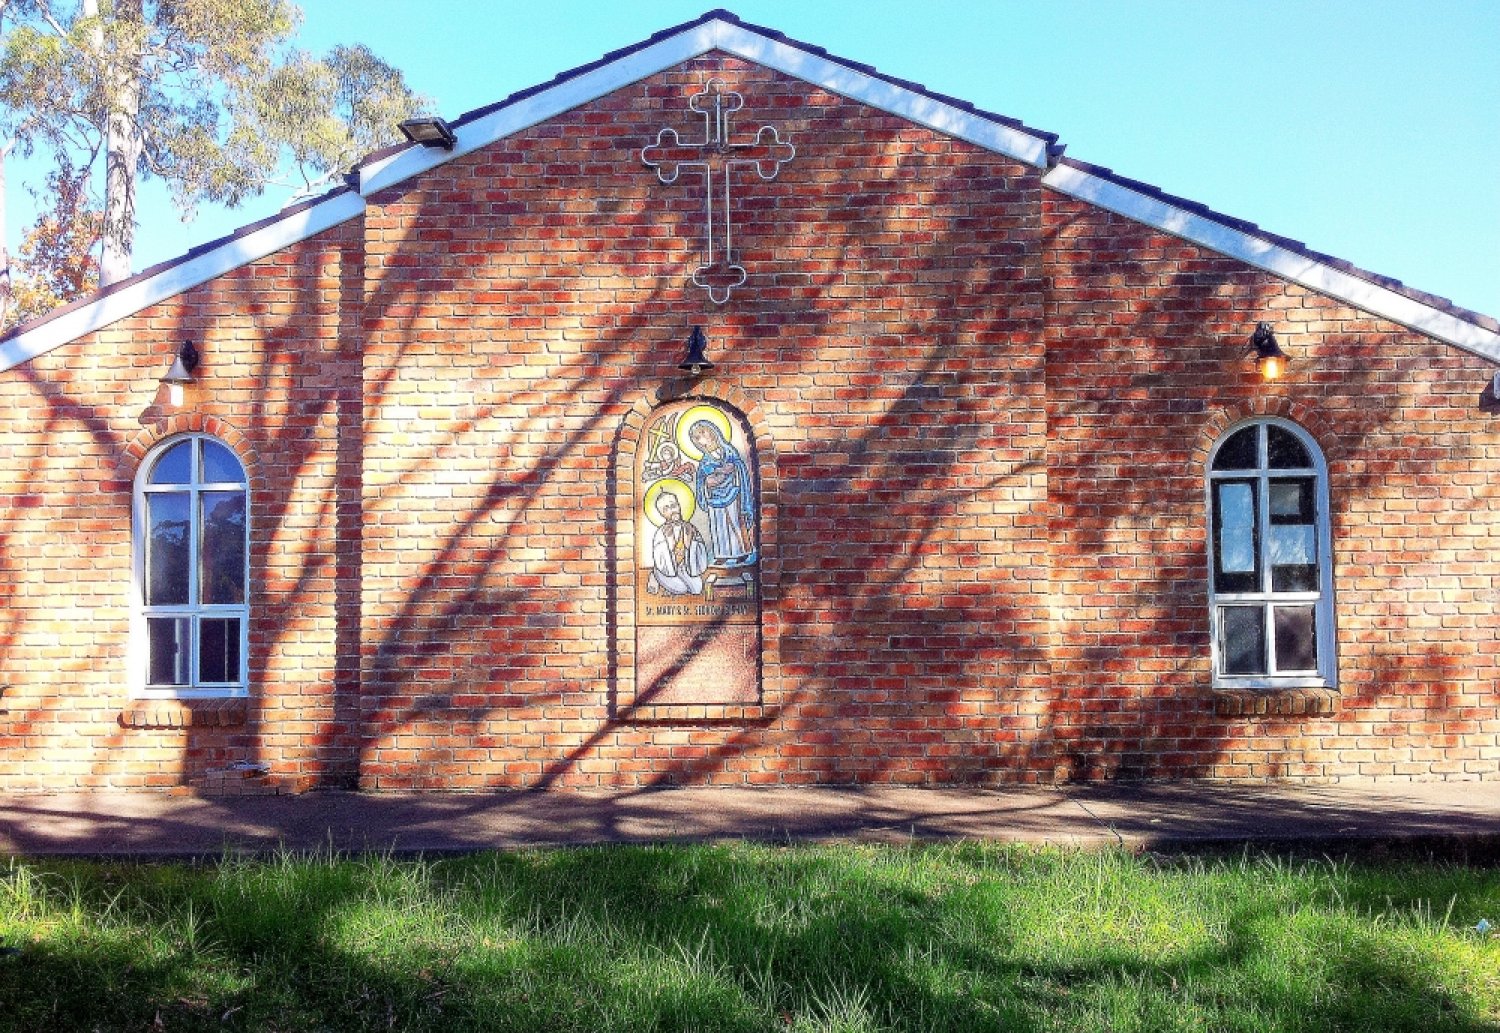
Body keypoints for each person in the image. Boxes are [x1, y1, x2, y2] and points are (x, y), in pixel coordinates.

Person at [690, 419, 755, 565]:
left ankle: (742, 551)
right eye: (697, 438)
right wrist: (708, 481)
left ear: (713, 433)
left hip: (733, 493)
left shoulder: (729, 451)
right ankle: (722, 554)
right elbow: (702, 478)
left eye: (703, 433)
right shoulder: (705, 460)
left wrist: (731, 468)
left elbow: (738, 466)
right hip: (715, 498)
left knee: (736, 523)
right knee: (719, 526)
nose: (702, 439)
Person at [647, 491, 709, 596]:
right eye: (666, 508)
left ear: (679, 506)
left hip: (685, 567)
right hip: (667, 569)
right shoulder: (662, 532)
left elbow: (700, 550)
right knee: (681, 589)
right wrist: (669, 546)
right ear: (662, 513)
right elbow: (660, 556)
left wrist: (691, 544)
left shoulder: (689, 528)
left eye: (674, 506)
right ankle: (655, 576)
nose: (672, 510)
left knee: (697, 588)